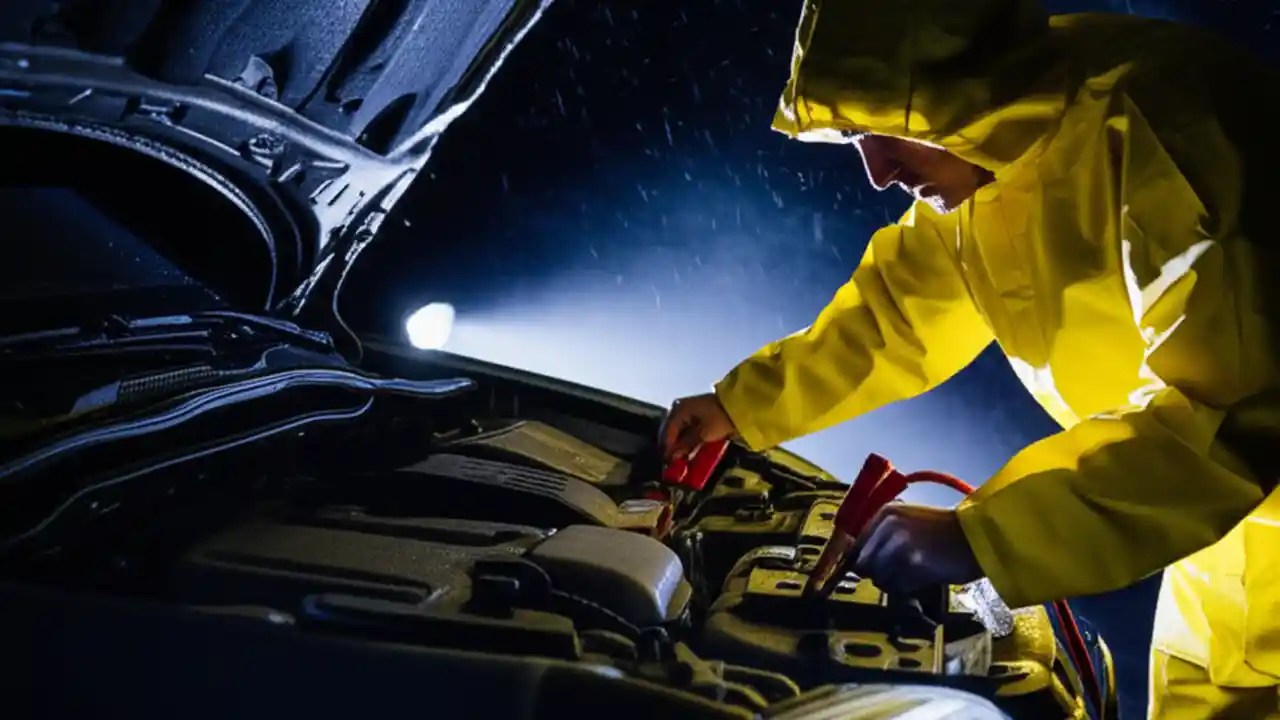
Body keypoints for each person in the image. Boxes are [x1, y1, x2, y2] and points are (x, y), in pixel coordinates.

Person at [660, 1, 1280, 717]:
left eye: (890, 128)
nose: (878, 172)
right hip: (1227, 558)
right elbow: (897, 314)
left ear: (966, 87)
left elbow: (1228, 415)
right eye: (857, 135)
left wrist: (985, 534)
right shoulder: (997, 158)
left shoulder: (1168, 131)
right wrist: (740, 405)